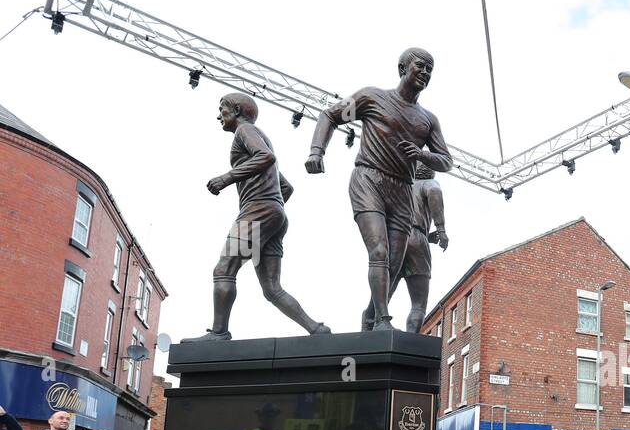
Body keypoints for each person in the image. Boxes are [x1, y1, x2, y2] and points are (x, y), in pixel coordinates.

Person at [306, 47, 453, 332]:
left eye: (429, 70)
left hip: (402, 189)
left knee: (395, 264)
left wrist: (422, 155)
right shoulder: (373, 97)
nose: (425, 73)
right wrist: (316, 152)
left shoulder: (428, 120)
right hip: (369, 179)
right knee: (380, 251)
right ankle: (384, 320)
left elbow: (446, 161)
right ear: (402, 68)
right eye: (420, 66)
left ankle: (371, 315)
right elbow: (330, 116)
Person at [189, 93, 330, 341]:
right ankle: (317, 330)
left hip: (258, 211)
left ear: (237, 110)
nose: (218, 115)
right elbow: (286, 187)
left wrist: (227, 178)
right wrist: (271, 211)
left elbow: (266, 157)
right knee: (272, 289)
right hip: (274, 215)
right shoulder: (258, 136)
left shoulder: (245, 131)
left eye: (222, 109)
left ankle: (219, 333)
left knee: (223, 269)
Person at [394, 162, 450, 332]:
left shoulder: (400, 186)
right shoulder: (429, 184)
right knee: (418, 304)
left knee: (383, 296)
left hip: (394, 237)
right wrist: (441, 229)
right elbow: (435, 192)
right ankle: (410, 342)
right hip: (416, 239)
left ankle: (371, 329)